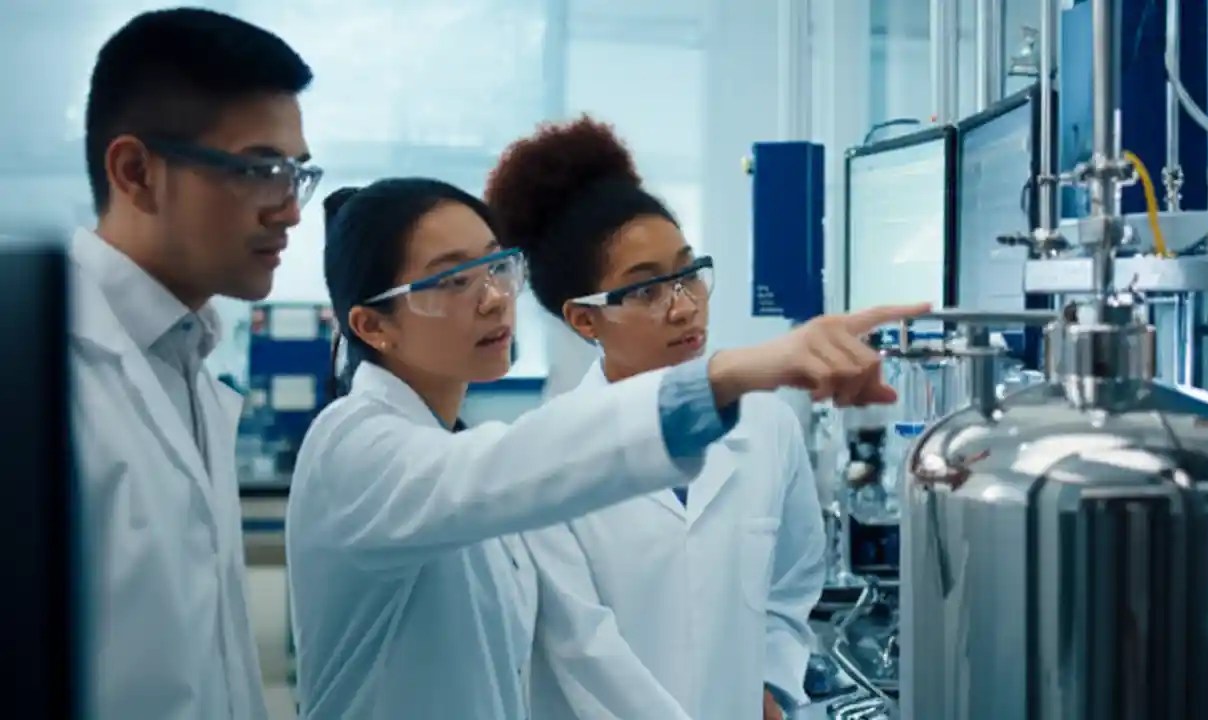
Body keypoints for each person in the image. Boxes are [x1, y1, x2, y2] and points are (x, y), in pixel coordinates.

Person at [284, 177, 926, 719]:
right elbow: (508, 479)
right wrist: (731, 374)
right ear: (371, 326)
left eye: (494, 265)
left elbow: (790, 582)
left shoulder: (454, 445)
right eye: (451, 280)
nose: (492, 297)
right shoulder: (355, 448)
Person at [485, 116, 825, 720]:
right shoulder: (547, 456)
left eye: (689, 272)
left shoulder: (767, 425)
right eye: (646, 291)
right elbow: (582, 649)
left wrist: (771, 681)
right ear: (585, 320)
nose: (685, 306)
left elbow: (791, 585)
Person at [70, 8, 319, 719]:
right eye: (260, 169)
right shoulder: (43, 379)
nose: (290, 210)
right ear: (136, 171)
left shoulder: (192, 372)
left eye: (296, 172)